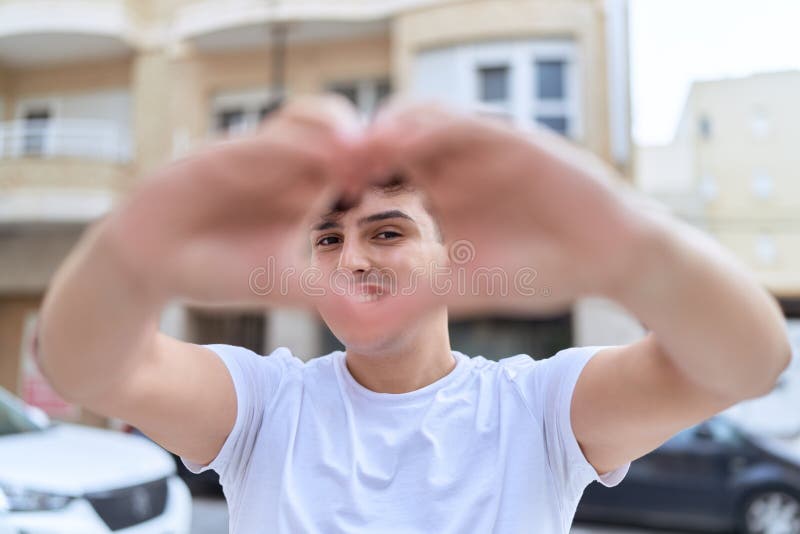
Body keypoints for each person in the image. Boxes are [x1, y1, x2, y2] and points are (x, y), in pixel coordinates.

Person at [35, 96, 791, 533]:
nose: (352, 259)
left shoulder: (537, 409)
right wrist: (137, 247)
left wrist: (624, 243)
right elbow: (85, 368)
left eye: (388, 233)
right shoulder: (265, 404)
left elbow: (749, 362)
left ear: (457, 252)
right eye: (327, 240)